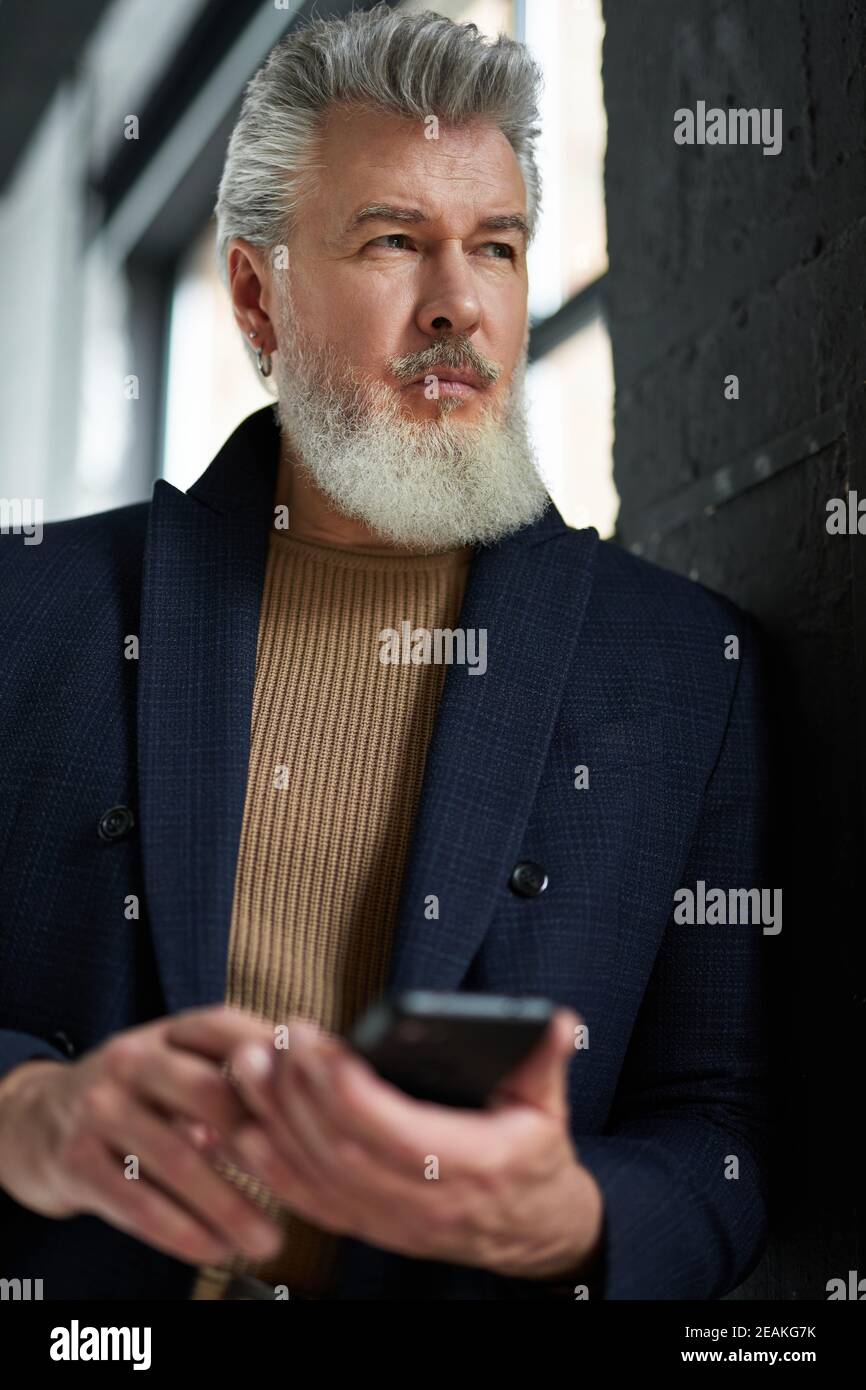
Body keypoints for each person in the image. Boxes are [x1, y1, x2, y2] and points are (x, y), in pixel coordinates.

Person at [0, 5, 770, 1301]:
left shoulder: (682, 666)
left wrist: (565, 1216)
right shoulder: (29, 604)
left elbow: (723, 1134)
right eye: (395, 239)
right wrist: (28, 1112)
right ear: (256, 293)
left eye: (498, 246)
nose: (458, 304)